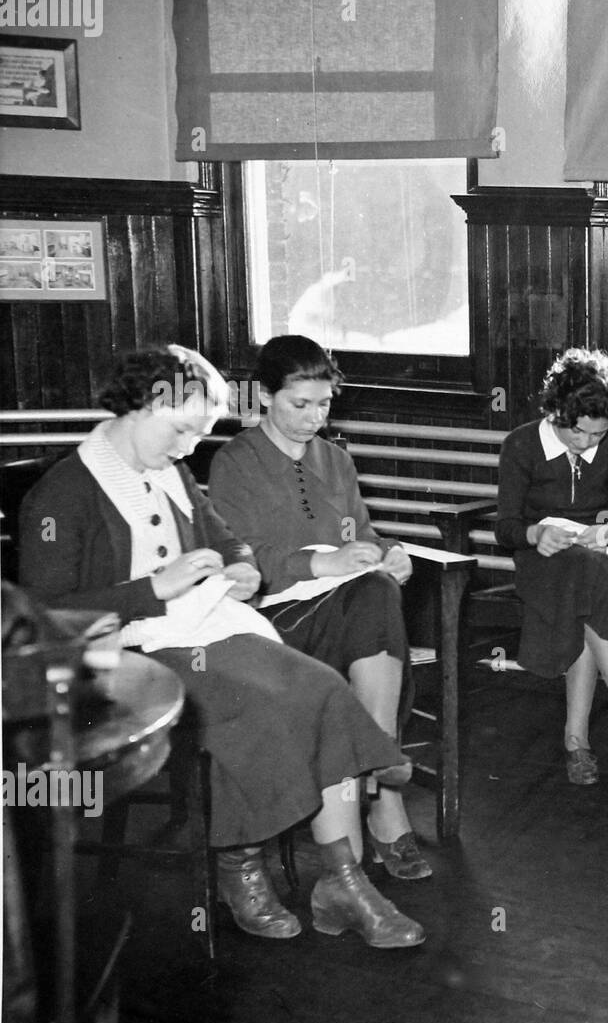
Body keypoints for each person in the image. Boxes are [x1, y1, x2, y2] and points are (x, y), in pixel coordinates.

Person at [19, 346, 425, 949]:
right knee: (250, 703)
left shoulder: (171, 473)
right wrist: (155, 587)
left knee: (320, 685)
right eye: (184, 430)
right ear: (148, 404)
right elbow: (46, 617)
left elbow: (230, 542)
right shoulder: (64, 492)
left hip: (200, 630)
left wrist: (241, 571)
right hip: (118, 659)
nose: (189, 448)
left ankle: (342, 879)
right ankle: (241, 864)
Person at [208, 335, 430, 880]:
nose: (313, 418)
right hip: (270, 621)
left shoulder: (336, 460)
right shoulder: (235, 462)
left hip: (344, 610)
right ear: (263, 396)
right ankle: (382, 783)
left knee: (378, 588)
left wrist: (388, 552)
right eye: (299, 405)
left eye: (324, 404)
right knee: (371, 598)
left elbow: (363, 533)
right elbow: (242, 559)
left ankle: (373, 761)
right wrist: (320, 565)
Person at [495, 347, 608, 785]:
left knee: (587, 577)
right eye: (579, 433)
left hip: (606, 559)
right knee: (580, 574)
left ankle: (577, 739)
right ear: (556, 411)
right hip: (544, 560)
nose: (588, 443)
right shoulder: (520, 445)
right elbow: (507, 528)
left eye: (598, 434)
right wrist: (536, 534)